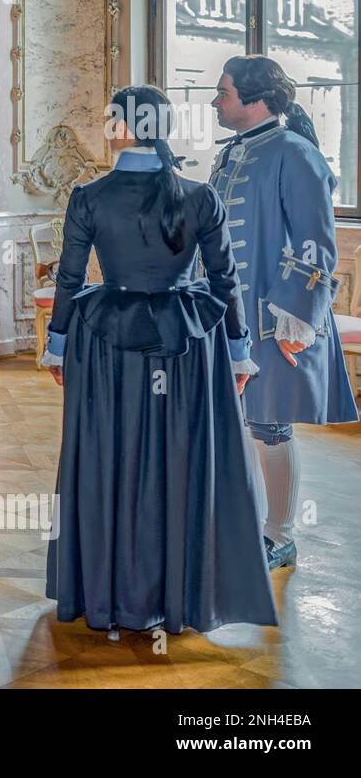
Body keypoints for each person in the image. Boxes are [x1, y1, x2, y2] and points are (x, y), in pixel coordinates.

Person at [43, 85, 275, 638]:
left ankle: (110, 593)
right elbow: (226, 281)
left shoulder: (89, 197)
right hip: (187, 344)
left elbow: (71, 279)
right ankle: (180, 594)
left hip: (106, 346)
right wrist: (239, 353)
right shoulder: (200, 196)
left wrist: (57, 345)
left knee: (110, 459)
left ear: (124, 127)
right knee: (179, 462)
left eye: (107, 119)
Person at [210, 55, 358, 570]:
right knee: (237, 424)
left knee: (271, 426)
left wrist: (296, 318)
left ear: (255, 100)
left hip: (272, 319)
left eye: (224, 93)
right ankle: (245, 522)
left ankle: (280, 533)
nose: (215, 101)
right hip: (225, 318)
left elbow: (317, 243)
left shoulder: (295, 154)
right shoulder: (230, 155)